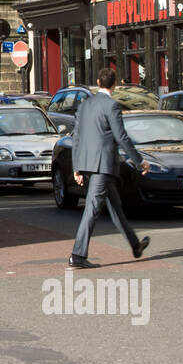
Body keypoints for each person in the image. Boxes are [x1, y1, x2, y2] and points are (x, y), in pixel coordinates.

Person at [70, 66, 151, 269]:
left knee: (116, 208)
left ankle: (135, 245)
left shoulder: (85, 105)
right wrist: (139, 160)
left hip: (89, 164)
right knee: (92, 209)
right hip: (102, 166)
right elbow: (121, 137)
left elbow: (77, 137)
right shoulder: (112, 106)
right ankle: (77, 255)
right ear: (114, 84)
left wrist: (77, 167)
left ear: (98, 82)